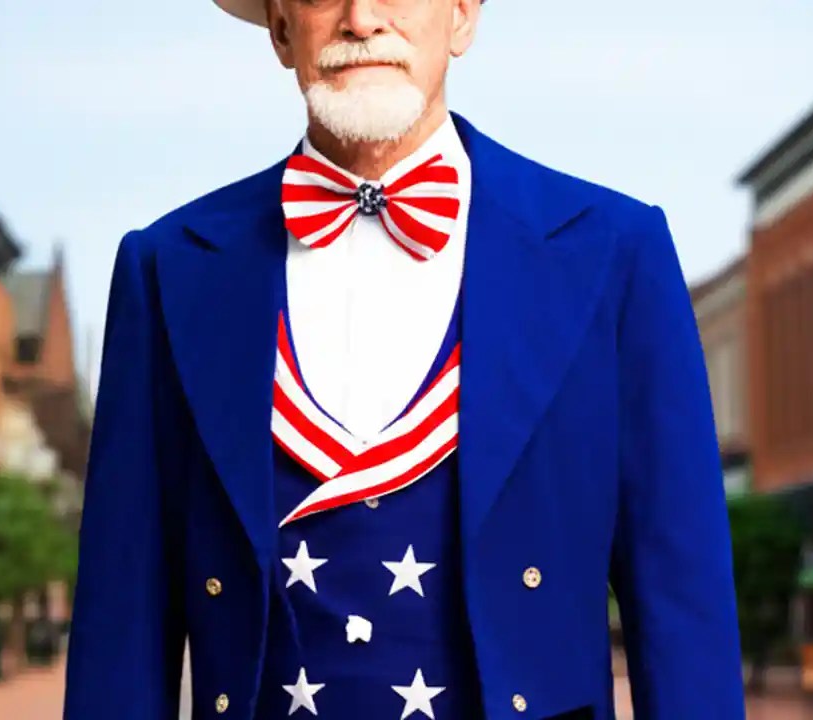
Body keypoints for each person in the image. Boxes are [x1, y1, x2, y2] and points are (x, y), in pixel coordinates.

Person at [63, 0, 745, 718]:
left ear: (461, 18)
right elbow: (122, 621)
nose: (361, 18)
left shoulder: (615, 254)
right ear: (282, 28)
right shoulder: (167, 269)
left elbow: (682, 604)